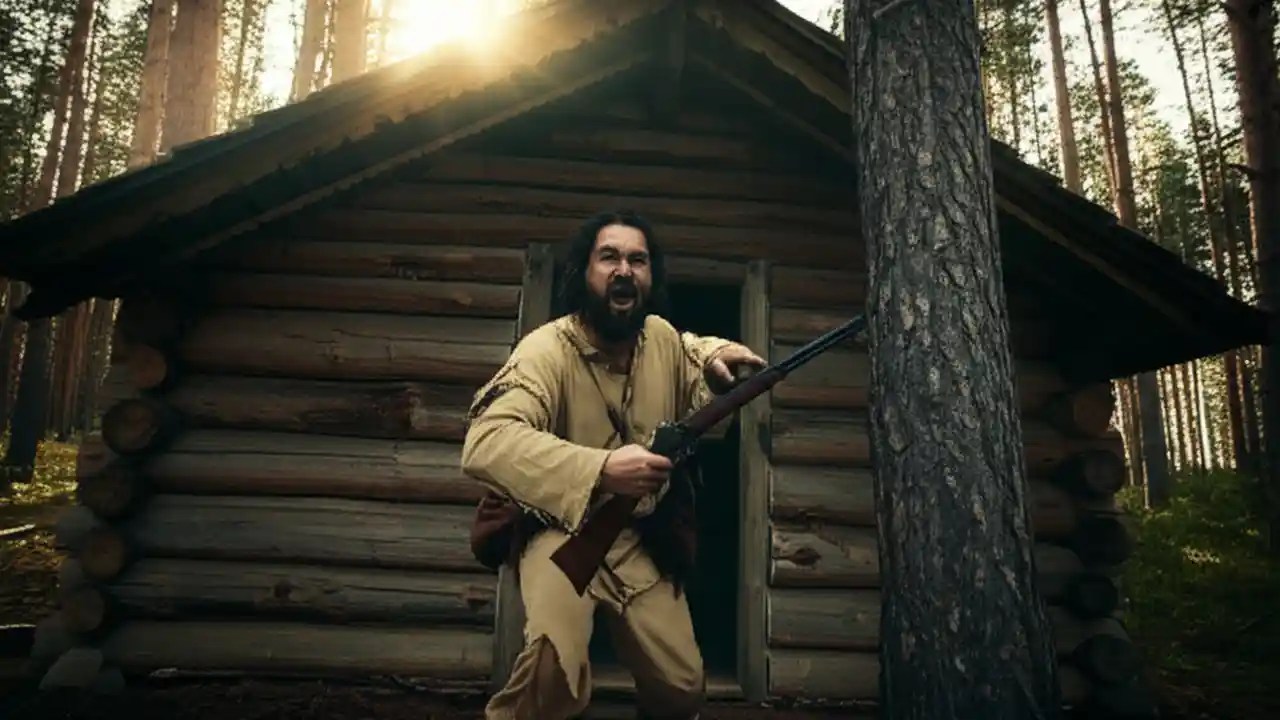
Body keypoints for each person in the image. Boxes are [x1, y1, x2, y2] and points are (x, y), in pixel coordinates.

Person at [461, 209, 766, 720]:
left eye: (638, 260)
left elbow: (695, 356)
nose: (624, 270)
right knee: (552, 674)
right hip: (559, 534)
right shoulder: (545, 351)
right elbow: (487, 440)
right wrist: (601, 469)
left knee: (682, 689)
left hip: (637, 539)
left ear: (650, 277)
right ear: (585, 271)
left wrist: (717, 365)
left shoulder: (661, 338)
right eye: (609, 257)